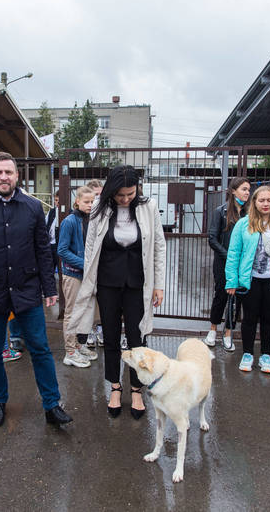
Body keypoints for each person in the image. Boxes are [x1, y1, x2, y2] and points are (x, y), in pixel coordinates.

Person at [0, 152, 73, 428]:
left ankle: (51, 404)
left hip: (27, 291)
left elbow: (42, 252)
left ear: (17, 175)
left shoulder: (32, 207)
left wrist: (50, 288)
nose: (3, 177)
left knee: (41, 349)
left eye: (8, 172)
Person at [68, 165, 166, 419]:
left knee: (138, 338)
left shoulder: (149, 207)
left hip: (138, 284)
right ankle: (114, 386)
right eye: (120, 195)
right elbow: (91, 247)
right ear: (112, 191)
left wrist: (159, 284)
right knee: (110, 337)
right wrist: (89, 282)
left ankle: (136, 389)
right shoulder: (101, 207)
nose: (124, 199)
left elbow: (159, 246)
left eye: (130, 194)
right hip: (107, 283)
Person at [225, 185, 270, 374]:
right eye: (261, 200)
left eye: (269, 200)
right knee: (249, 318)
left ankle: (266, 355)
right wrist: (232, 282)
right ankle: (247, 354)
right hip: (250, 280)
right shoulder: (243, 224)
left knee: (268, 319)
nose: (265, 204)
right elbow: (234, 253)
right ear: (254, 202)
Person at [205, 177, 250, 351]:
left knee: (236, 298)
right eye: (244, 189)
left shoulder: (250, 213)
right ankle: (213, 330)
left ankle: (229, 333)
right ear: (233, 191)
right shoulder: (220, 211)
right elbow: (212, 238)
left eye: (248, 189)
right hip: (223, 262)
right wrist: (229, 255)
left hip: (243, 263)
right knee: (221, 295)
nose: (247, 193)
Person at [57, 186, 99, 368]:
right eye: (87, 202)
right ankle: (70, 352)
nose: (90, 205)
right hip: (73, 275)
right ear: (77, 201)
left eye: (93, 201)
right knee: (72, 313)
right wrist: (86, 265)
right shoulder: (69, 222)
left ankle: (79, 346)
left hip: (87, 275)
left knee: (85, 313)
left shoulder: (93, 220)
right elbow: (62, 250)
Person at [84, 179, 104, 348]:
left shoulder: (104, 215)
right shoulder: (77, 219)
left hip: (101, 267)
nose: (97, 200)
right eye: (94, 196)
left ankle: (100, 330)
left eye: (99, 195)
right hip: (84, 268)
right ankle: (89, 332)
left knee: (102, 303)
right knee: (88, 303)